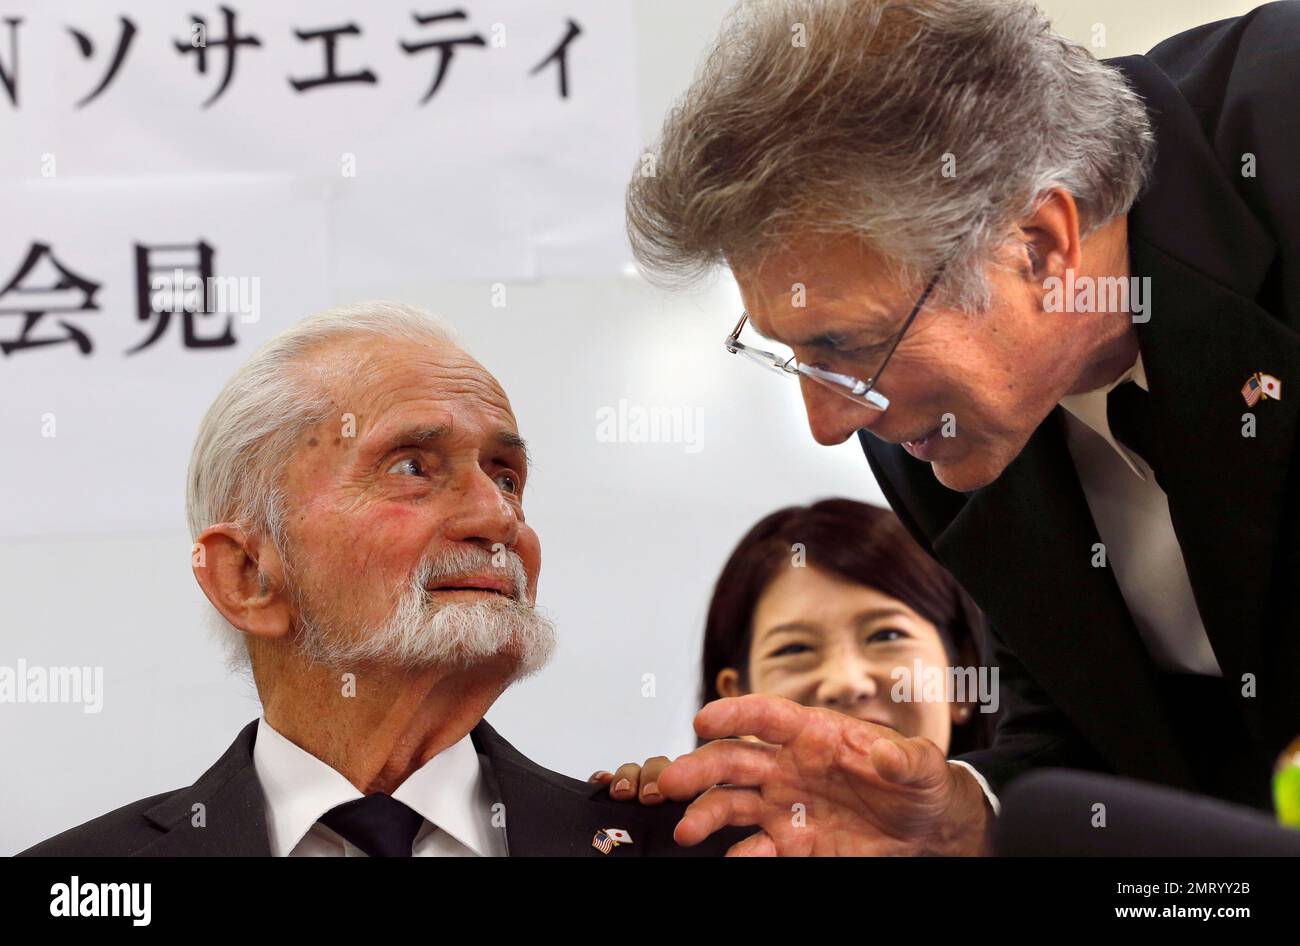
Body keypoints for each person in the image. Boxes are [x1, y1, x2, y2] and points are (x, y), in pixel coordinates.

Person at [622, 0, 1300, 855]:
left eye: (847, 345)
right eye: (795, 355)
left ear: (1042, 246)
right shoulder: (923, 424)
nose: (831, 424)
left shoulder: (1284, 122)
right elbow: (1094, 740)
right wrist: (962, 817)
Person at [19, 302, 743, 858]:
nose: (498, 518)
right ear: (247, 576)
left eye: (507, 476)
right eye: (412, 468)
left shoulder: (688, 845)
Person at [592, 500, 995, 804]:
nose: (846, 682)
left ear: (960, 681)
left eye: (885, 636)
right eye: (795, 648)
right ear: (736, 699)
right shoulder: (690, 837)